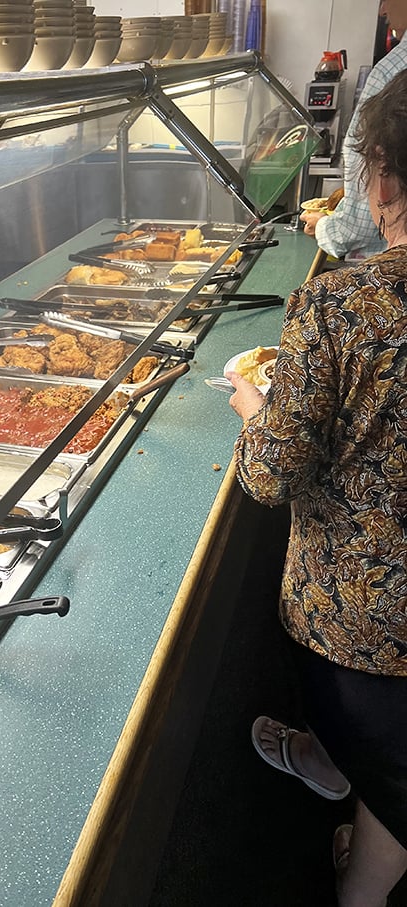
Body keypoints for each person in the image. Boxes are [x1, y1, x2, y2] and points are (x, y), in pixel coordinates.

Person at [227, 69, 407, 907]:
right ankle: (368, 814)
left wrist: (254, 405)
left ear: (381, 181)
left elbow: (269, 474)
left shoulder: (339, 304)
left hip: (361, 627)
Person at [300, 0, 407, 259]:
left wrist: (326, 228)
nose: (382, 10)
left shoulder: (391, 71)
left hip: (389, 266)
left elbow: (360, 220)